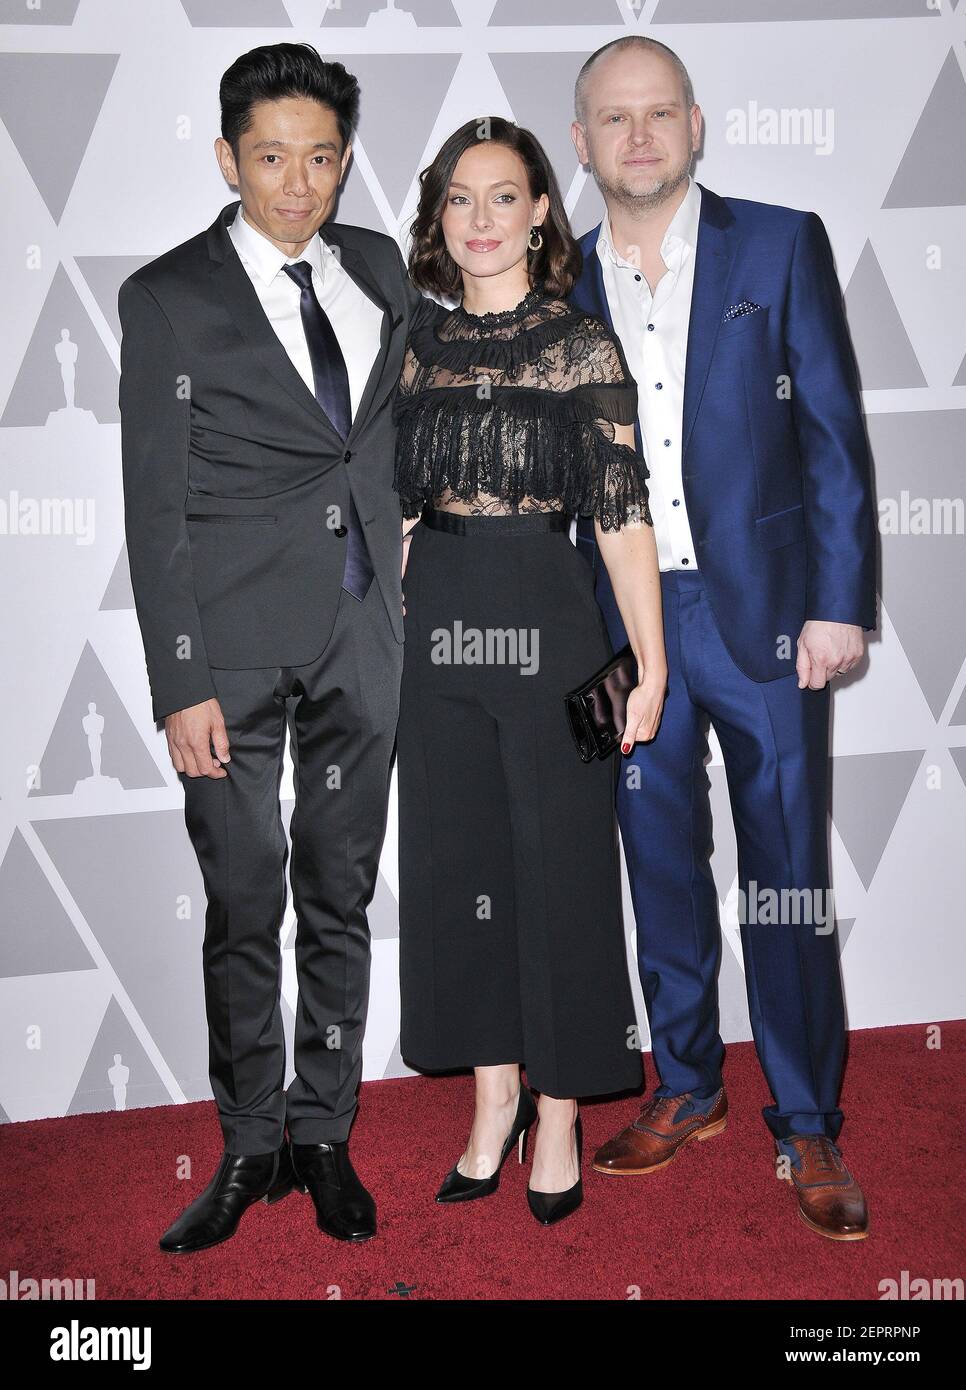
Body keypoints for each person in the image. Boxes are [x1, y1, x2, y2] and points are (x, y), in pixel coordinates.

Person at [118, 42, 439, 1251]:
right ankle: (249, 1146)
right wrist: (180, 680)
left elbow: (385, 427)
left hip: (365, 630)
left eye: (319, 158)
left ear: (345, 162)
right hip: (231, 656)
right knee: (244, 902)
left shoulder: (371, 270)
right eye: (270, 158)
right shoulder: (166, 297)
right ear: (226, 158)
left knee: (339, 895)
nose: (296, 184)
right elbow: (153, 508)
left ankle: (325, 1132)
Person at [568, 36, 877, 1240]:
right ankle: (685, 1082)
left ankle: (806, 1120)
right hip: (625, 632)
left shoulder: (778, 241)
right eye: (611, 117)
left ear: (695, 126)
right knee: (656, 863)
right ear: (582, 140)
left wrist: (838, 598)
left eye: (658, 115)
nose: (637, 137)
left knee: (787, 875)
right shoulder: (560, 283)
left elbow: (834, 435)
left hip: (765, 620)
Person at [392, 118, 667, 1226]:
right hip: (438, 627)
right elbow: (401, 504)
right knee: (459, 862)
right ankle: (492, 1097)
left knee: (558, 871)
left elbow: (620, 514)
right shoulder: (418, 345)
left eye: (503, 198)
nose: (480, 220)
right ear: (437, 217)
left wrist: (648, 662)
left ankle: (559, 1110)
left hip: (550, 618)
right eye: (459, 199)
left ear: (544, 211)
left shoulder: (579, 345)